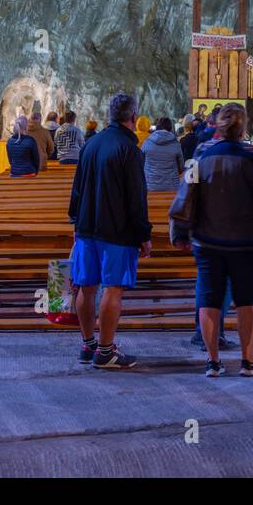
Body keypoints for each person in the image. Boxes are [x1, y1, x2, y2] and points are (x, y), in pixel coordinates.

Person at [169, 103, 253, 378]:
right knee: (246, 299)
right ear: (243, 128)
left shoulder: (200, 156)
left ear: (218, 125)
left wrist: (179, 232)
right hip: (245, 242)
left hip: (207, 240)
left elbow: (184, 196)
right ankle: (248, 360)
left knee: (209, 298)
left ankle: (213, 361)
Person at [67, 93, 153, 369]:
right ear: (133, 117)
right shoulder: (130, 150)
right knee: (112, 288)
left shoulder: (91, 145)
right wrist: (143, 234)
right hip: (116, 231)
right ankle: (105, 352)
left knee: (86, 286)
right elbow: (136, 197)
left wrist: (75, 223)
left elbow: (77, 189)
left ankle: (88, 344)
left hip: (86, 228)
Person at [141, 116, 183, 191]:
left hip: (150, 186)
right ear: (170, 128)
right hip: (171, 187)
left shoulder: (147, 142)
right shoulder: (175, 143)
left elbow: (141, 163)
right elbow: (181, 167)